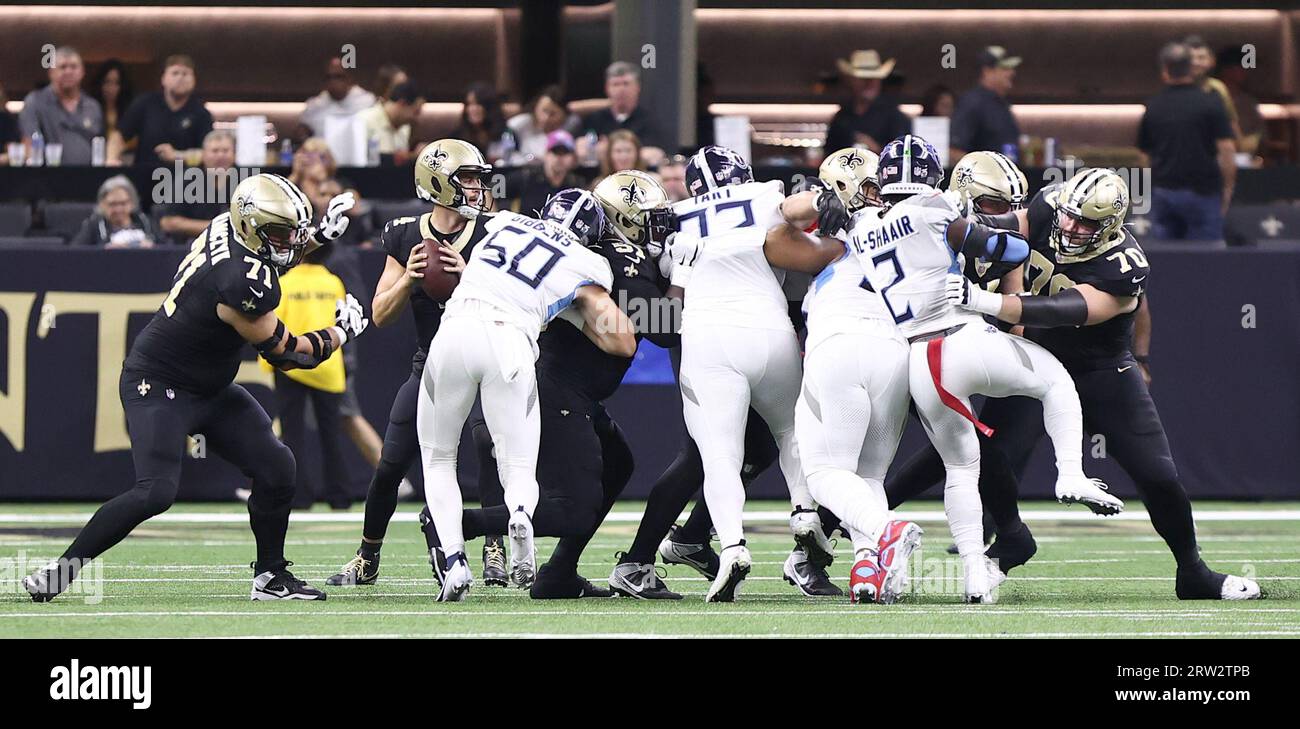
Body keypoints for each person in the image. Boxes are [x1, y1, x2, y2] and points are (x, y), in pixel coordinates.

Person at [23, 173, 364, 602]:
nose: (290, 242)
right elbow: (291, 354)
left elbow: (270, 255)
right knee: (156, 491)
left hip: (209, 387)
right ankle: (61, 569)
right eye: (283, 233)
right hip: (159, 381)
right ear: (253, 228)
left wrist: (315, 236)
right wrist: (342, 331)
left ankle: (270, 576)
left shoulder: (229, 226)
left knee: (278, 467)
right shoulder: (238, 282)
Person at [940, 166, 1261, 601]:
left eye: (1085, 223)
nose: (1070, 227)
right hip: (1036, 363)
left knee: (1158, 474)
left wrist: (980, 300)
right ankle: (1008, 541)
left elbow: (1060, 310)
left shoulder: (1124, 265)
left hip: (1101, 372)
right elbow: (1003, 228)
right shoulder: (1052, 207)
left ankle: (1192, 571)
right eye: (1069, 216)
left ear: (1110, 226)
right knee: (992, 452)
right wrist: (945, 218)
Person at [831, 134, 1115, 603]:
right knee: (1055, 381)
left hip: (919, 359)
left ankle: (975, 576)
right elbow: (1012, 252)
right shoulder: (934, 208)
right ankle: (1070, 473)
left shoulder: (861, 228)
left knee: (961, 468)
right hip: (962, 337)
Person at [437, 171, 678, 599]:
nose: (659, 228)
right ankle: (460, 524)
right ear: (624, 221)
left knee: (618, 463)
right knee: (572, 511)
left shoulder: (595, 254)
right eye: (650, 219)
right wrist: (679, 277)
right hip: (556, 391)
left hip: (565, 388)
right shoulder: (608, 263)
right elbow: (663, 326)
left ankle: (559, 573)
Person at [648, 145, 842, 602]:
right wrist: (820, 200)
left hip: (708, 337)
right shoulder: (759, 195)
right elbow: (791, 207)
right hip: (769, 329)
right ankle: (804, 512)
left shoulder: (674, 219)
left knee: (720, 456)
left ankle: (732, 546)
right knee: (794, 431)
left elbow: (665, 299)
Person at [324, 139, 505, 588]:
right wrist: (407, 278)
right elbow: (380, 315)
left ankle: (495, 545)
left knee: (490, 447)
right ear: (438, 182)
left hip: (485, 361)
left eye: (478, 178)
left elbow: (513, 306)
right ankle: (368, 554)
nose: (477, 187)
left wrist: (471, 277)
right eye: (467, 178)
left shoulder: (496, 230)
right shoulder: (405, 234)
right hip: (433, 364)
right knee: (390, 462)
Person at [262, 246, 352, 510]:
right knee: (331, 433)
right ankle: (341, 495)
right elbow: (341, 322)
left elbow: (273, 325)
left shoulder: (285, 283)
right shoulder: (333, 282)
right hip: (329, 365)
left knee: (292, 433)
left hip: (292, 364)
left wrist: (269, 365)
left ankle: (299, 496)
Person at [1138, 42, 1236, 240]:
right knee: (1207, 264)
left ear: (1165, 70)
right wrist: (1227, 188)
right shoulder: (1211, 102)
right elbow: (1227, 149)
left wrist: (1151, 188)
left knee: (1167, 263)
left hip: (1164, 191)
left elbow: (1143, 155)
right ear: (1192, 68)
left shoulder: (1153, 106)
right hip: (1204, 192)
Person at [107, 55, 213, 168]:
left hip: (187, 182)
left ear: (194, 80)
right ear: (163, 79)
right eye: (175, 73)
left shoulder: (201, 113)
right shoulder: (145, 104)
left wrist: (177, 156)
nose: (180, 77)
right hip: (144, 178)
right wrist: (111, 158)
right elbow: (118, 136)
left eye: (186, 73)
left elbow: (208, 154)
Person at [18, 46, 104, 166]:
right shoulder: (35, 102)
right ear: (51, 72)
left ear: (82, 72)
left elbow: (100, 144)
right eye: (62, 67)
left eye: (73, 67)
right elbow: (30, 143)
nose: (68, 71)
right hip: (46, 178)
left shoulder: (93, 106)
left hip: (88, 178)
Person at [157, 130, 238, 245]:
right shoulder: (187, 179)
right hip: (191, 247)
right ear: (204, 155)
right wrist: (217, 227)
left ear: (234, 155)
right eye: (215, 151)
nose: (220, 155)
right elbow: (168, 222)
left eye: (225, 151)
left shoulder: (245, 181)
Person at [823, 50, 911, 155]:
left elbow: (904, 155)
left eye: (874, 78)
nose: (870, 83)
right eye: (863, 78)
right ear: (851, 80)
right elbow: (829, 153)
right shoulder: (841, 116)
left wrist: (878, 150)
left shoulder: (895, 117)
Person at [950, 46, 1022, 161]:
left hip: (1005, 176)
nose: (1011, 73)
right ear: (987, 71)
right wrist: (983, 173)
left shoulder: (1001, 104)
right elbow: (954, 151)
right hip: (984, 177)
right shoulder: (972, 103)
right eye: (1005, 68)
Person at [580, 61, 663, 155]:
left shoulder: (649, 121)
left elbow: (654, 154)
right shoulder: (595, 119)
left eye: (626, 84)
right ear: (607, 88)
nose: (621, 90)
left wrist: (607, 149)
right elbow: (583, 151)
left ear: (638, 87)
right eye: (616, 84)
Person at [69, 175, 158, 248]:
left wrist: (152, 247)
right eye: (113, 204)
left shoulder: (145, 221)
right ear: (102, 205)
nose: (118, 209)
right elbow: (75, 253)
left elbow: (166, 248)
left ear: (132, 203)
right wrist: (104, 249)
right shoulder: (93, 226)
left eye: (123, 203)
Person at [299, 57, 376, 140]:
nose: (333, 82)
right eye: (329, 77)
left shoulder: (368, 102)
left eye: (338, 77)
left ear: (349, 78)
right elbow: (303, 131)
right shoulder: (314, 105)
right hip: (323, 151)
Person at [511, 130, 579, 216]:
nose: (559, 158)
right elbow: (492, 189)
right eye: (555, 152)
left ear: (573, 158)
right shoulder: (527, 176)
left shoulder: (576, 185)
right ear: (546, 154)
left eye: (565, 153)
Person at [506, 84, 580, 162]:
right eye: (544, 111)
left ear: (564, 115)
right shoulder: (520, 124)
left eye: (552, 114)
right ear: (536, 108)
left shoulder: (571, 127)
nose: (546, 118)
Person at [360, 81, 424, 165]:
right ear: (402, 104)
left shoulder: (405, 127)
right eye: (416, 112)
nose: (416, 118)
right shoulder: (363, 121)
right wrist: (411, 156)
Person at [451, 82, 506, 160]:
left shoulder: (506, 134)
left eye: (478, 104)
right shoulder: (457, 138)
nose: (472, 109)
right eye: (469, 104)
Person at [90, 58, 134, 140]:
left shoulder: (130, 109)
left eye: (116, 83)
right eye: (107, 82)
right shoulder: (90, 108)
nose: (111, 88)